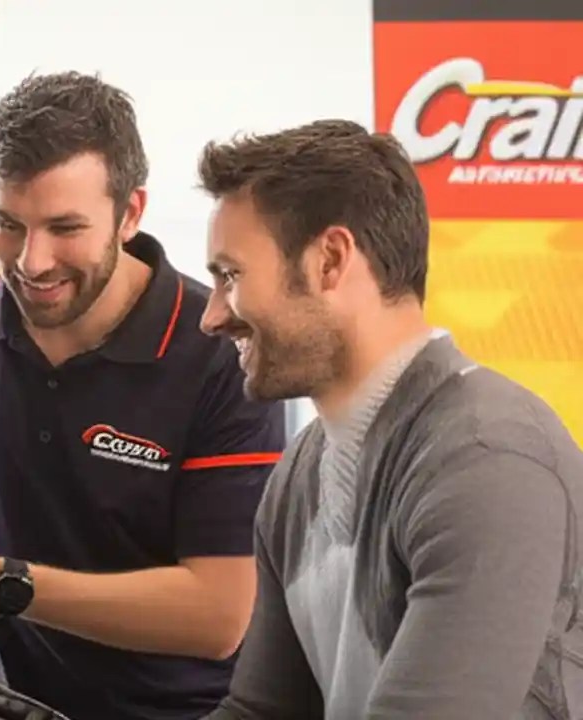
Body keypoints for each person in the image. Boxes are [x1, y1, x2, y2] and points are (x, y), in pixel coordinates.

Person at [0, 71, 288, 720]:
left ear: (130, 214)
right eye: (9, 224)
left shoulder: (222, 351)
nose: (32, 261)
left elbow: (218, 615)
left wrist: (3, 584)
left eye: (65, 228)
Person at [196, 119, 583, 719]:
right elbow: (262, 713)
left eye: (231, 276)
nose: (213, 315)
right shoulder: (301, 473)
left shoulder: (489, 460)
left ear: (330, 260)